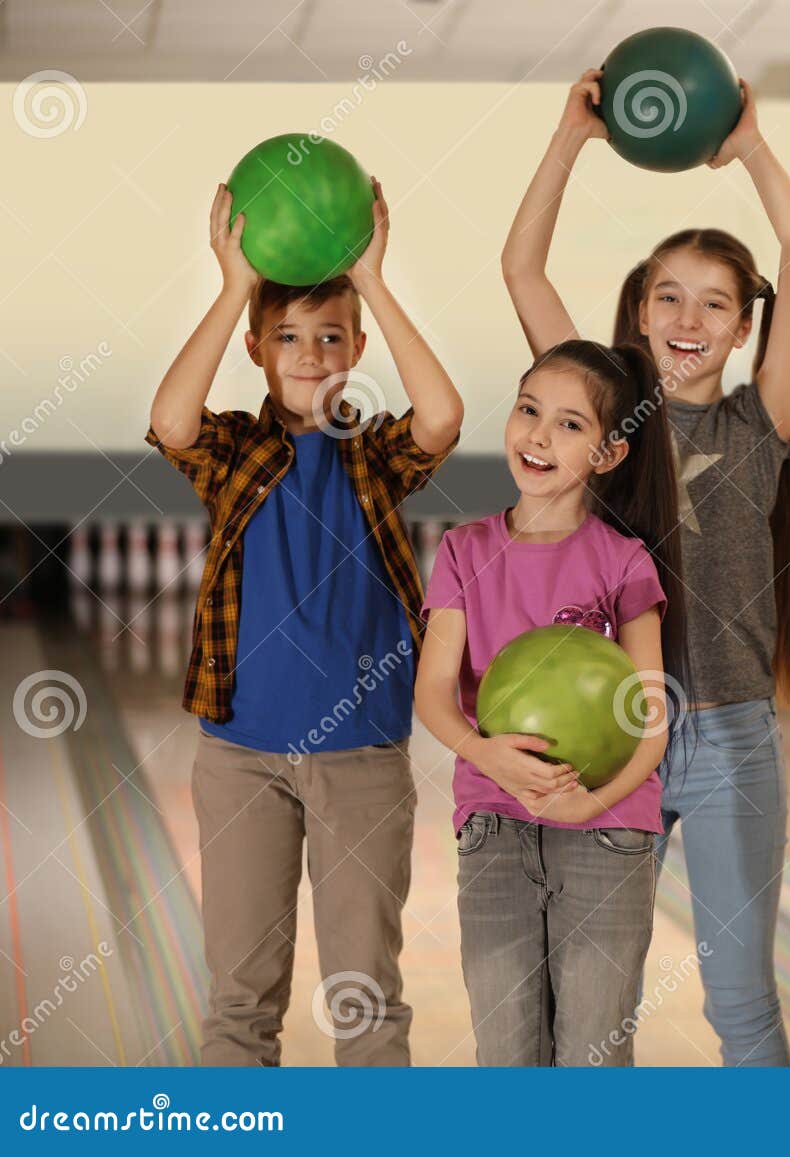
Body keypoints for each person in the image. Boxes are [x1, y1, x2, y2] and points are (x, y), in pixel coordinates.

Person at [498, 70, 790, 1066]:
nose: (689, 317)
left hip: (732, 736)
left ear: (743, 326)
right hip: (606, 731)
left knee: (741, 1004)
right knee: (592, 1009)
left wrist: (750, 148)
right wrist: (570, 139)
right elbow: (522, 271)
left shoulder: (758, 421)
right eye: (668, 297)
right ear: (638, 313)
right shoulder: (601, 409)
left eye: (716, 304)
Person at [146, 178, 462, 1065]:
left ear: (359, 346)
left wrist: (376, 281)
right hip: (239, 755)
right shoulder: (237, 452)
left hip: (362, 755)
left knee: (366, 1003)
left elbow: (440, 416)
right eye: (288, 338)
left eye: (332, 337)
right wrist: (233, 286)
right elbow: (172, 418)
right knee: (240, 1004)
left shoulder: (373, 456)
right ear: (256, 348)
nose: (313, 354)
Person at [414, 339, 686, 1066]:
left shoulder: (623, 561)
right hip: (494, 826)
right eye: (529, 409)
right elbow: (434, 691)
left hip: (608, 829)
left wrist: (589, 804)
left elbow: (650, 722)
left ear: (608, 454)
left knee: (592, 1060)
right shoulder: (464, 550)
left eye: (570, 424)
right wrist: (482, 752)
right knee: (507, 1060)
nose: (538, 434)